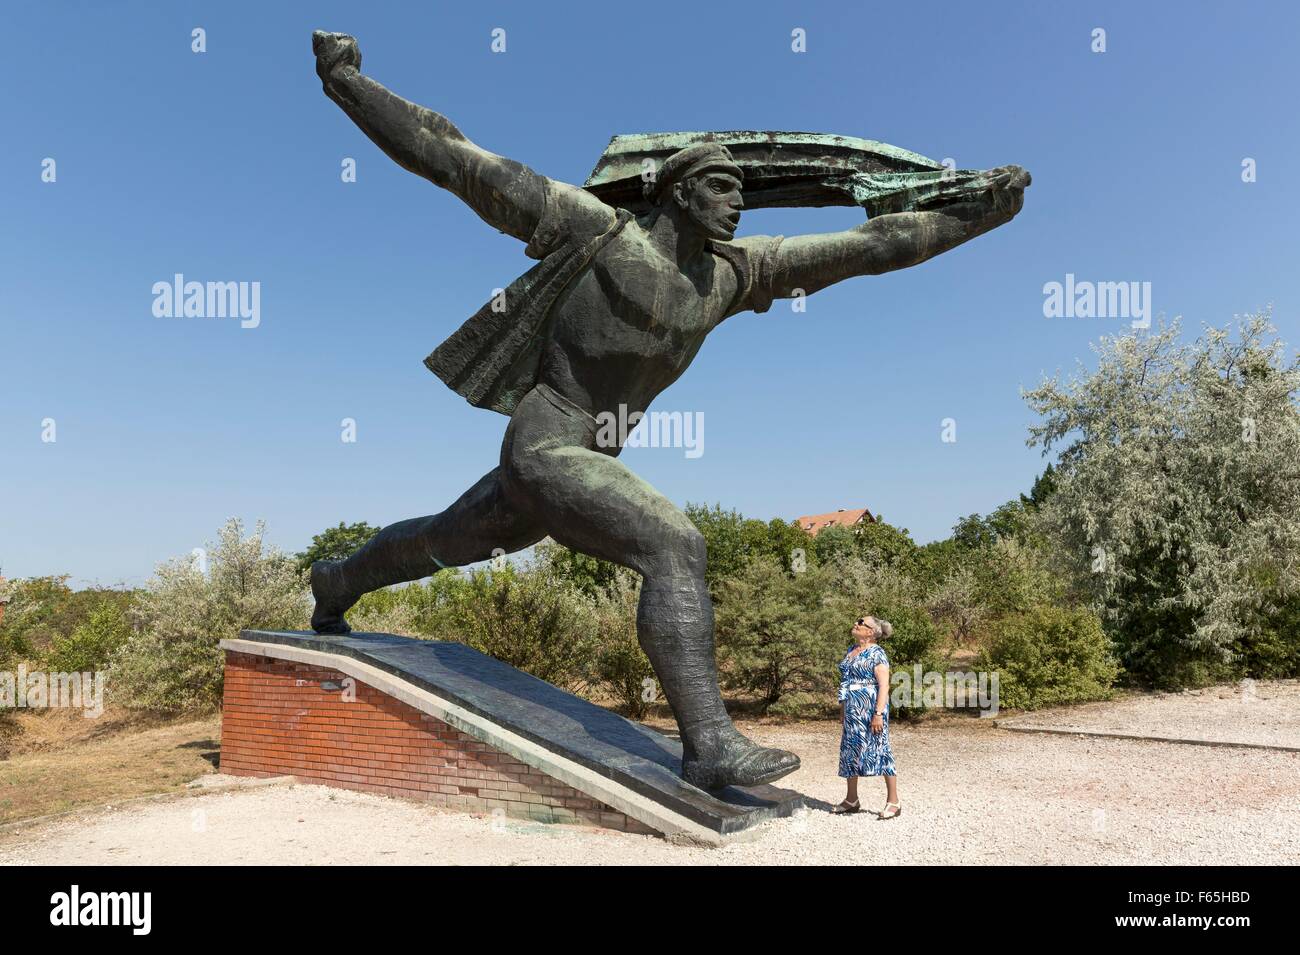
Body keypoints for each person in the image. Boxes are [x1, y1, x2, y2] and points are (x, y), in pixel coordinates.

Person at [307, 31, 1030, 790]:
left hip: (586, 462)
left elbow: (877, 243)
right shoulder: (595, 229)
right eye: (723, 188)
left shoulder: (733, 274)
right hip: (547, 445)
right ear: (681, 190)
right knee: (674, 544)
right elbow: (452, 157)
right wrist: (347, 83)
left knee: (437, 541)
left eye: (742, 192)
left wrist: (979, 214)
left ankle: (337, 581)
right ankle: (709, 744)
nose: (739, 203)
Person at [832, 615, 900, 818]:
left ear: (871, 632)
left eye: (861, 623)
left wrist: (878, 713)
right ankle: (851, 799)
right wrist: (843, 707)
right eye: (857, 621)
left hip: (871, 709)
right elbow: (845, 681)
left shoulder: (877, 653)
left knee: (880, 748)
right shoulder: (851, 651)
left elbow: (884, 686)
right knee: (850, 750)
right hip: (852, 710)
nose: (856, 623)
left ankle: (894, 801)